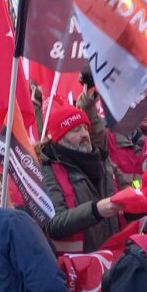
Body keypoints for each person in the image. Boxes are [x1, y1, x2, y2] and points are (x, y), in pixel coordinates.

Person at [39, 102, 125, 253]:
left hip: (116, 256)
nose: (84, 134)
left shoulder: (104, 161)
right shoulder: (47, 170)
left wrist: (140, 192)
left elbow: (129, 186)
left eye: (85, 128)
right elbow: (53, 224)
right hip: (80, 267)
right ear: (60, 138)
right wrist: (95, 210)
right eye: (76, 130)